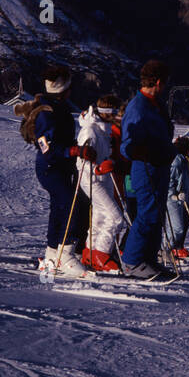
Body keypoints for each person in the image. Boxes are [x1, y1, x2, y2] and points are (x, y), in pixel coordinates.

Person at [28, 65, 89, 277]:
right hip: (51, 167)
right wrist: (71, 150)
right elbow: (45, 144)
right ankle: (66, 254)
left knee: (61, 207)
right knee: (71, 206)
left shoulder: (58, 106)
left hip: (60, 166)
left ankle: (52, 253)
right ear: (63, 89)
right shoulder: (47, 111)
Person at [119, 60, 176, 279]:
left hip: (159, 164)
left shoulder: (155, 103)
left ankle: (149, 259)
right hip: (146, 166)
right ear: (159, 82)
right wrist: (139, 150)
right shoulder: (139, 106)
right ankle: (132, 261)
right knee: (147, 214)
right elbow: (127, 144)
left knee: (157, 214)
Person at [76, 94, 125, 273]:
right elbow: (82, 161)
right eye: (115, 112)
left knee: (100, 217)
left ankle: (90, 252)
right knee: (116, 217)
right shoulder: (90, 131)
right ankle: (102, 253)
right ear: (107, 112)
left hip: (103, 178)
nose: (117, 116)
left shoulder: (103, 130)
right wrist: (97, 169)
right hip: (92, 180)